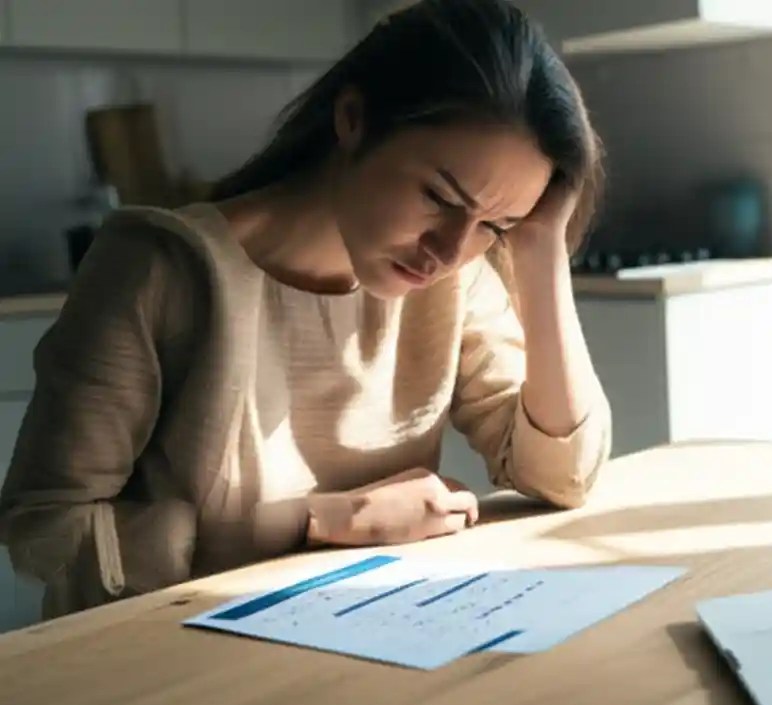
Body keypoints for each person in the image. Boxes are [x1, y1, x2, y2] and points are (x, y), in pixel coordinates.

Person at [0, 0, 611, 619]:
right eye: (437, 196)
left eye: (493, 224)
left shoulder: (456, 280)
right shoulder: (162, 267)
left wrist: (539, 250)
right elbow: (46, 528)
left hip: (359, 636)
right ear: (353, 119)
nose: (449, 250)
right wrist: (322, 521)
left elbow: (565, 476)